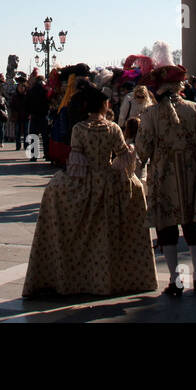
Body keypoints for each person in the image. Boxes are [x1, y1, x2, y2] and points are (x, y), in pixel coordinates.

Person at [23, 82, 156, 297]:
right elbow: (123, 156)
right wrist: (122, 163)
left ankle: (76, 276)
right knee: (129, 201)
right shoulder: (112, 128)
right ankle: (112, 277)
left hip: (86, 181)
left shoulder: (79, 129)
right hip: (108, 182)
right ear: (103, 105)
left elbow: (76, 163)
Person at [135, 64, 196, 296]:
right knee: (194, 224)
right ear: (180, 86)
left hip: (163, 173)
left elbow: (143, 148)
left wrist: (137, 167)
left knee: (166, 226)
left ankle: (175, 280)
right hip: (190, 173)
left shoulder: (150, 114)